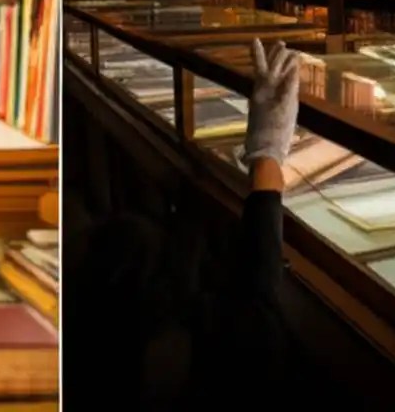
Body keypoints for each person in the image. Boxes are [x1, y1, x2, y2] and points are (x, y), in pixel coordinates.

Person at [66, 38, 307, 409]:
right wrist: (268, 152)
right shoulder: (212, 363)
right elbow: (257, 313)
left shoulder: (85, 366)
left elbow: (253, 300)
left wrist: (265, 156)